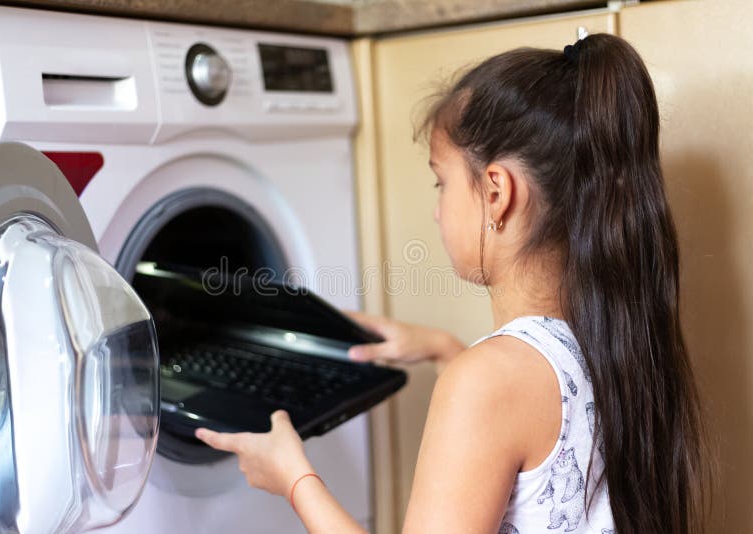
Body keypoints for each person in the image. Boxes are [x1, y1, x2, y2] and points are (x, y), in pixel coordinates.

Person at [196, 33, 711, 533]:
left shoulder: (486, 382)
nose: (438, 211)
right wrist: (445, 350)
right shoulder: (616, 337)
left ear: (496, 193)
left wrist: (293, 478)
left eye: (441, 181)